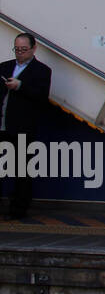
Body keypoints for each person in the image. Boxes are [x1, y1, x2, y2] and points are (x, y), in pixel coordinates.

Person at [0, 33, 52, 219]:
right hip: (3, 124)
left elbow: (41, 97)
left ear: (33, 49)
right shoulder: (4, 67)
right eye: (16, 49)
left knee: (22, 171)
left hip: (23, 126)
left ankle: (18, 209)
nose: (19, 53)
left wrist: (20, 86)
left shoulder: (42, 71)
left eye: (23, 50)